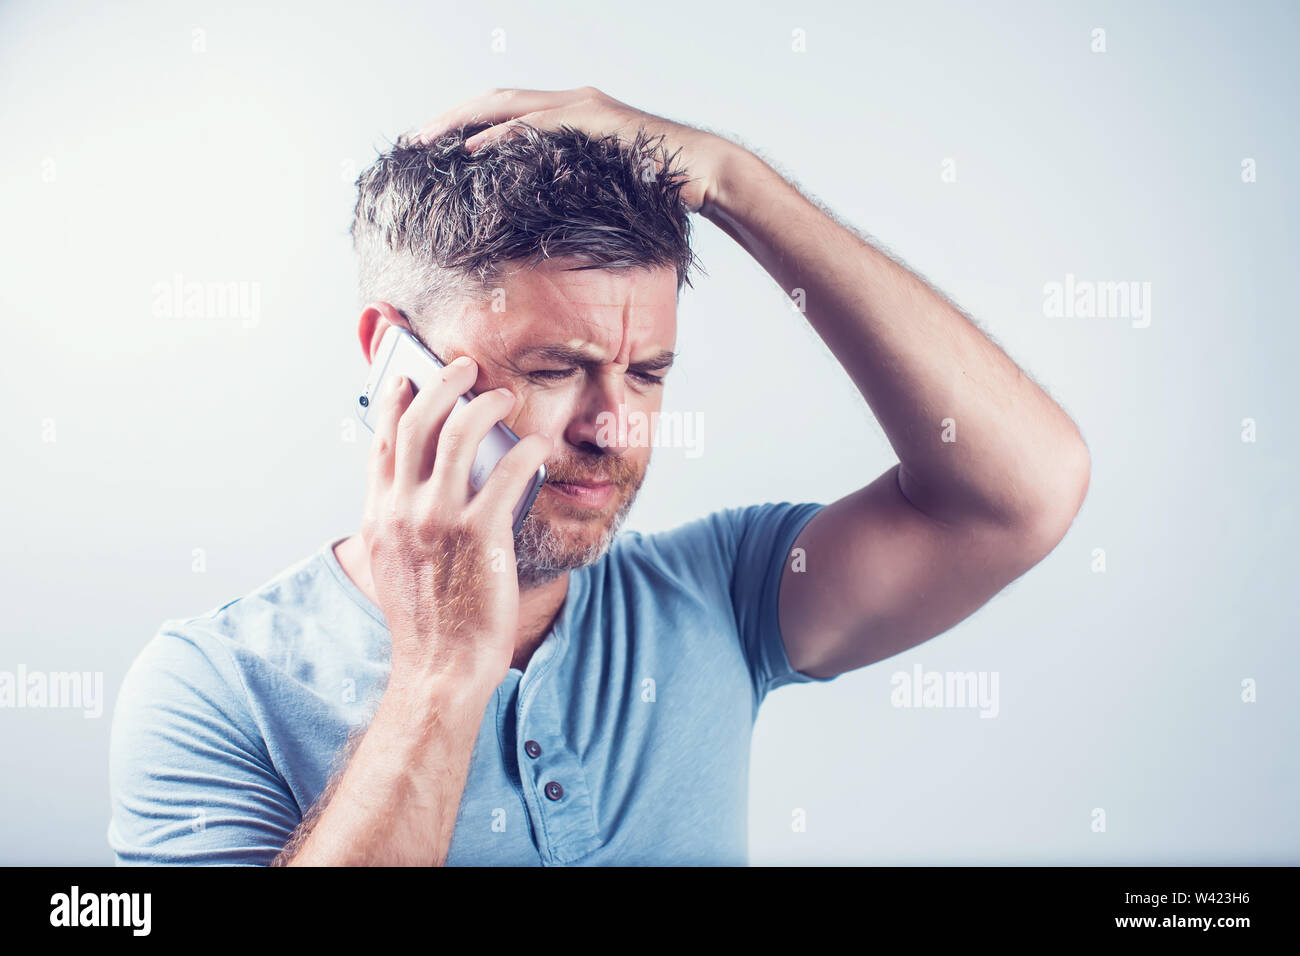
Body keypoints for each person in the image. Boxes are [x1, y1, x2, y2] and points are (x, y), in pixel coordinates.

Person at [108, 86, 1090, 866]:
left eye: (649, 373)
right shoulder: (213, 688)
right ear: (391, 356)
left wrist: (735, 180)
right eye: (552, 369)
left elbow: (1022, 490)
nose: (615, 426)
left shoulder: (721, 595)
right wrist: (444, 674)